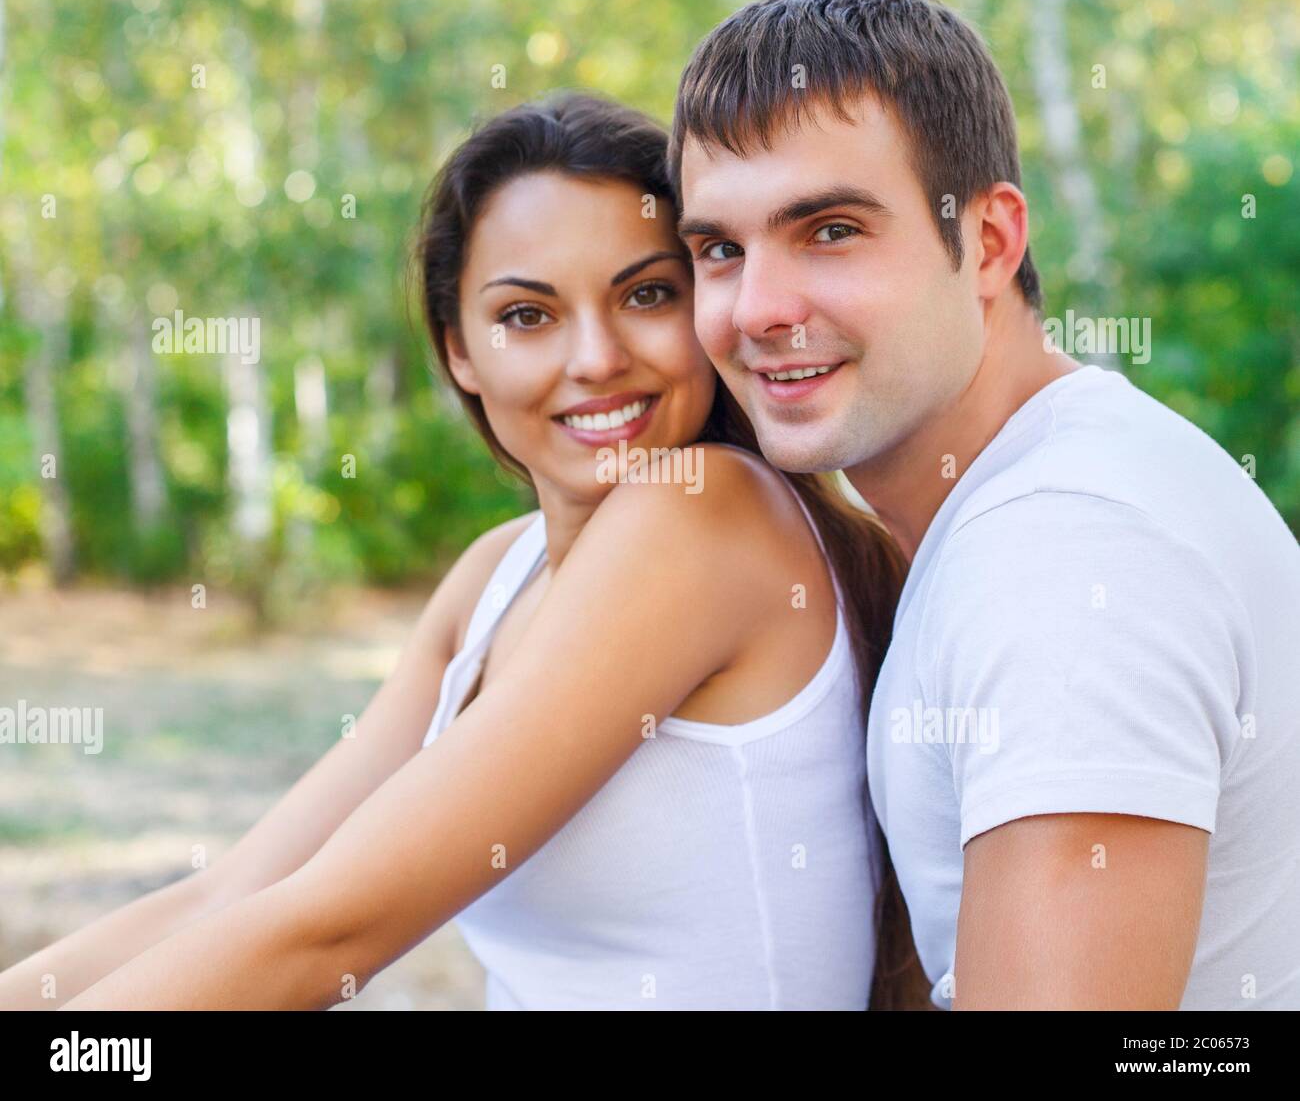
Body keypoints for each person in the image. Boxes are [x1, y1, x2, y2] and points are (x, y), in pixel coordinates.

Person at [0, 92, 922, 1010]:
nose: (596, 358)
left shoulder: (708, 514)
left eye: (646, 295)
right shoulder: (497, 573)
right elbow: (235, 895)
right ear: (461, 351)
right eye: (528, 315)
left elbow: (328, 935)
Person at [669, 0, 1300, 1009]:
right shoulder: (1037, 492)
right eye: (719, 251)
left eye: (829, 229)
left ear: (990, 244)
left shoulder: (1065, 556)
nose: (759, 308)